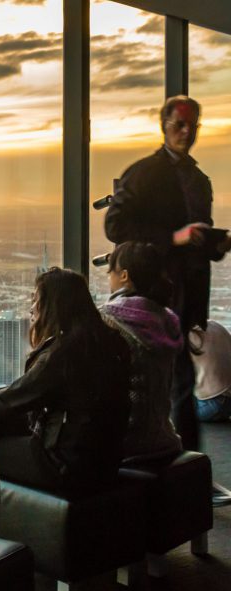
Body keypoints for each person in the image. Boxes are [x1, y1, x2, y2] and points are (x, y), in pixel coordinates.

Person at [105, 95, 231, 452]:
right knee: (177, 382)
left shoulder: (198, 180)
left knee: (178, 382)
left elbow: (195, 238)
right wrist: (173, 238)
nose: (186, 131)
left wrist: (217, 243)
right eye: (179, 124)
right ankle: (185, 466)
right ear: (165, 126)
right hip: (156, 292)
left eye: (191, 125)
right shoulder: (144, 173)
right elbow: (116, 226)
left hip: (184, 292)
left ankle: (182, 465)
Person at [0, 268, 131, 494]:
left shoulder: (64, 354)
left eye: (35, 299)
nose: (31, 308)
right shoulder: (110, 343)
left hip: (65, 465)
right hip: (104, 463)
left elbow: (13, 398)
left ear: (53, 305)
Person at [98, 242, 183, 464]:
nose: (109, 280)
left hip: (125, 444)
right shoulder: (166, 320)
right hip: (164, 439)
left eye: (111, 273)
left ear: (124, 276)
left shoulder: (109, 320)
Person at [190, 320, 231, 423]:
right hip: (228, 398)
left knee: (171, 413)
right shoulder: (217, 326)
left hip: (213, 405)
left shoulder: (186, 335)